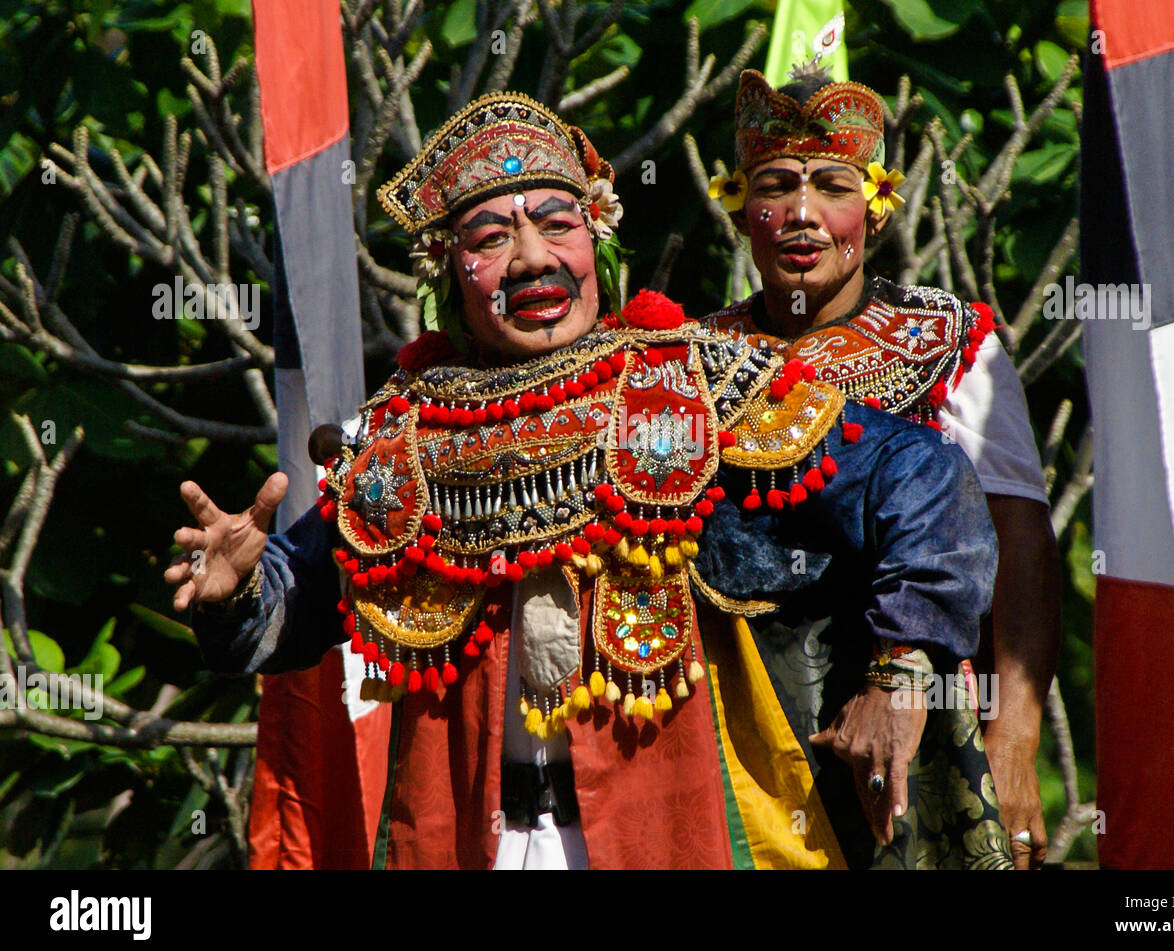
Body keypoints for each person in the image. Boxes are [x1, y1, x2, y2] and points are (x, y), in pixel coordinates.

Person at [168, 90, 1009, 869]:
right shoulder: (403, 434)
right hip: (475, 844)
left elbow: (923, 478)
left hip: (675, 834)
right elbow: (295, 605)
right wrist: (238, 586)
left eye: (556, 224)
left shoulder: (697, 389)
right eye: (492, 238)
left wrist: (902, 670)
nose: (533, 259)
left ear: (595, 241)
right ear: (445, 270)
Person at [700, 65, 1062, 869]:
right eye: (775, 186)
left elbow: (1019, 541)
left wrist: (1014, 737)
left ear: (875, 206)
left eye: (832, 186)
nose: (802, 215)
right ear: (739, 209)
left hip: (908, 715)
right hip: (735, 721)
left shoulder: (948, 344)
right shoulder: (693, 361)